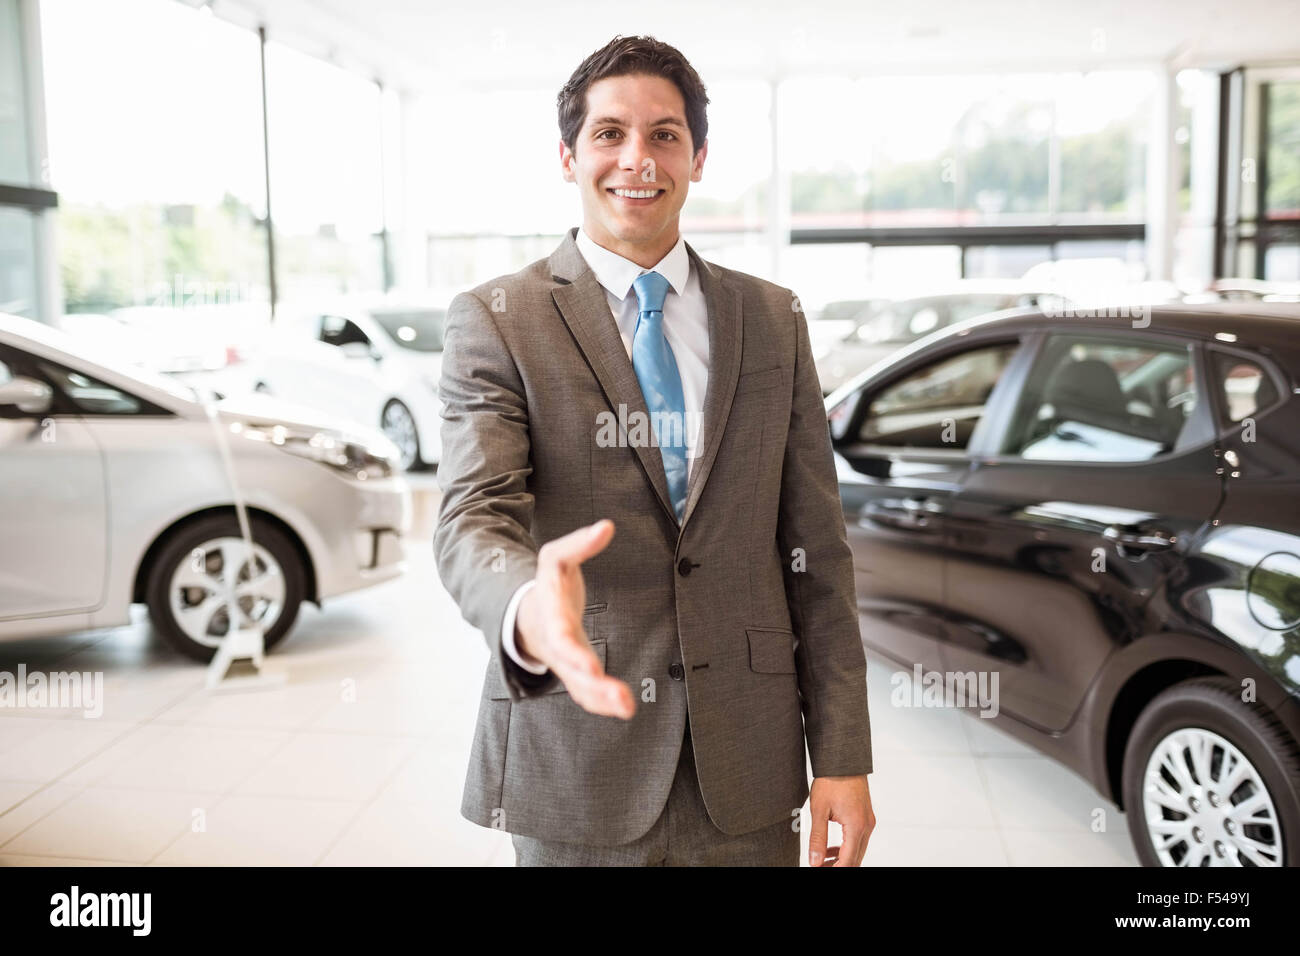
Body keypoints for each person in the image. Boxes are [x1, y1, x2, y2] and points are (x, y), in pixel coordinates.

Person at [433, 34, 874, 866]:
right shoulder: (498, 317)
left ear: (698, 156)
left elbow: (818, 551)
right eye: (609, 133)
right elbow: (471, 519)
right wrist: (527, 609)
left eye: (664, 134)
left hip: (746, 761)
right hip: (574, 754)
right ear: (568, 156)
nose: (637, 158)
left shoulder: (772, 319)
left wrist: (843, 757)